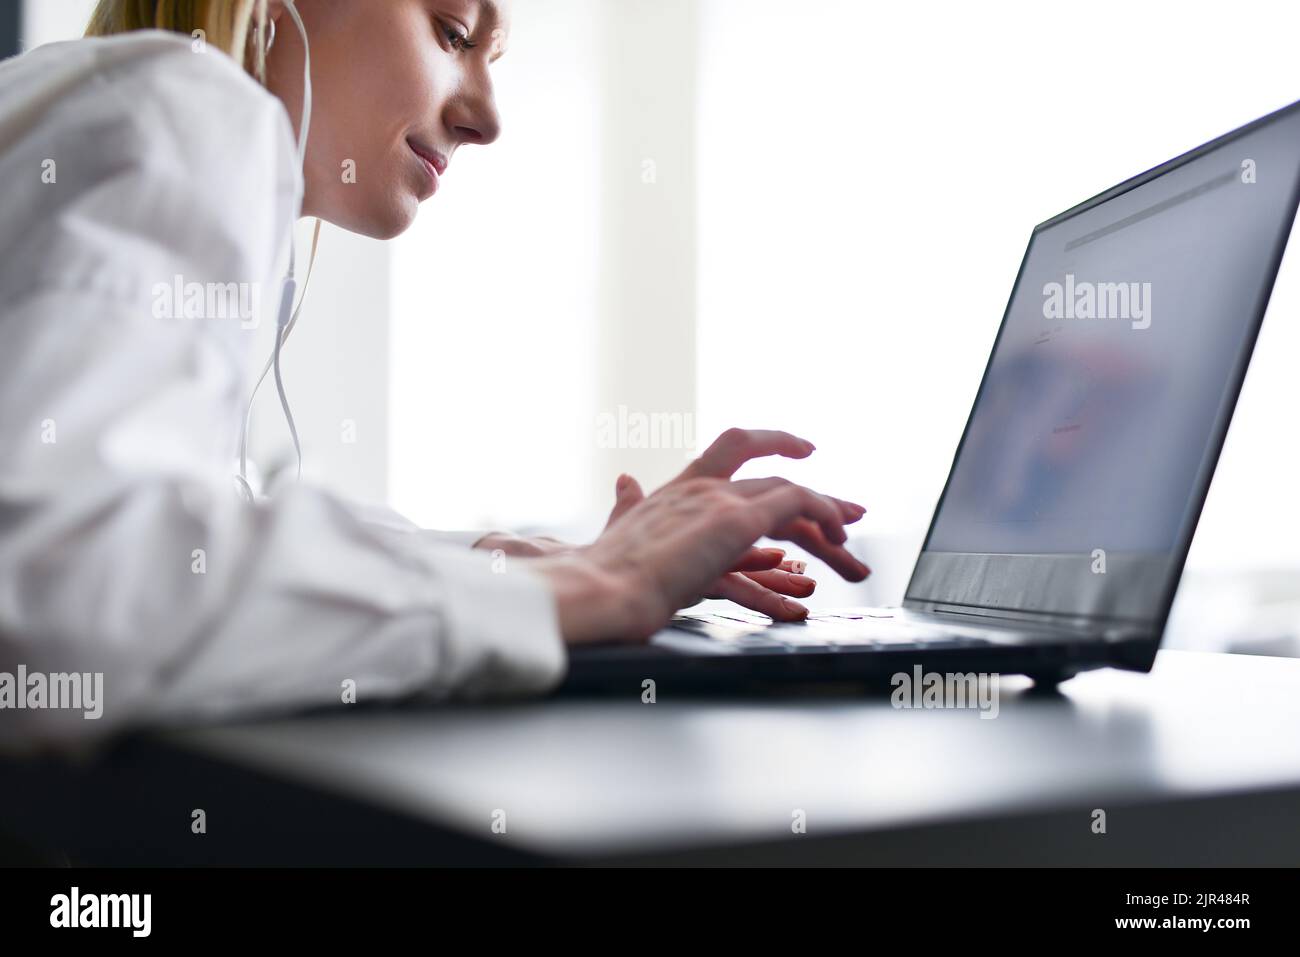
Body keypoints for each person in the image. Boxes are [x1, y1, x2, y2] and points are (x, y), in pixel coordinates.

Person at [0, 0, 870, 744]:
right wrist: (591, 590)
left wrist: (513, 563)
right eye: (452, 31)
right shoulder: (186, 102)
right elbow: (61, 603)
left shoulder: (65, 104)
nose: (487, 118)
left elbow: (171, 537)